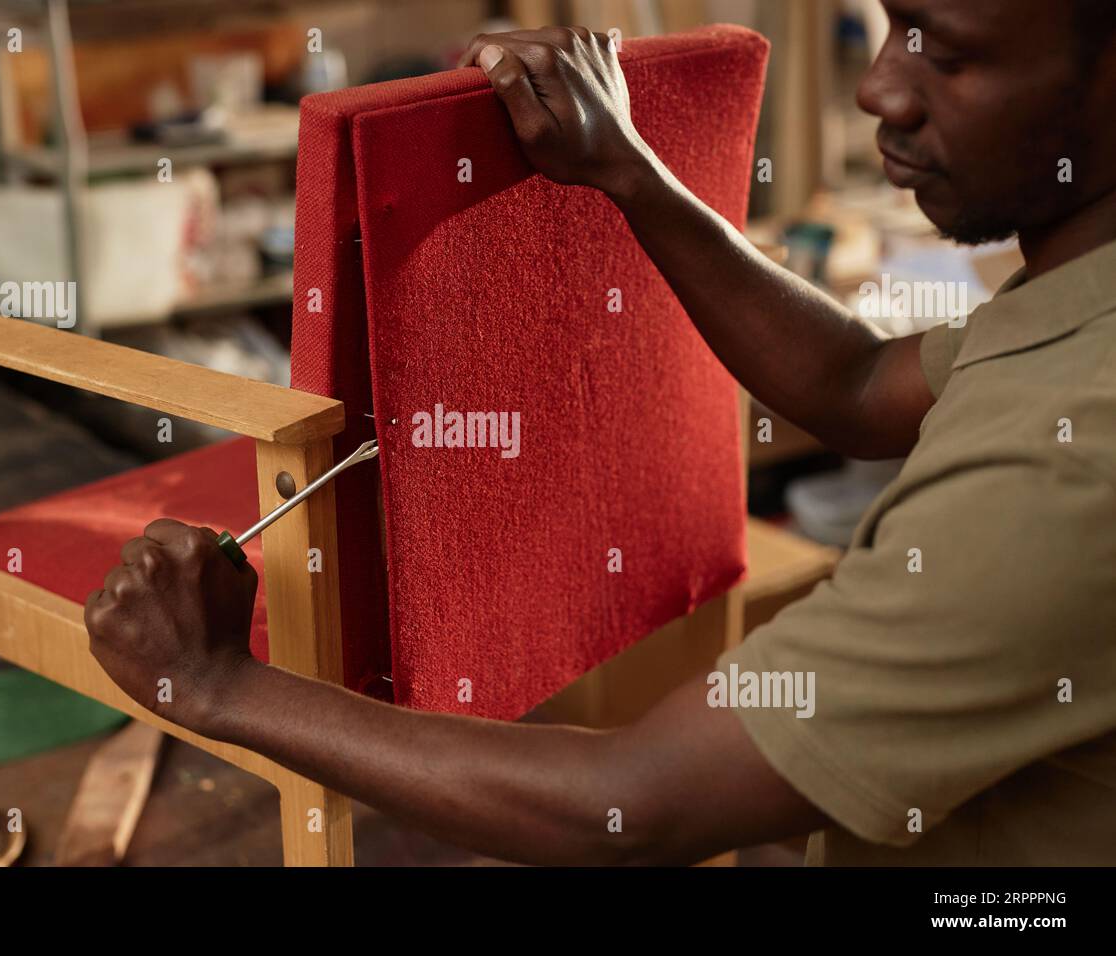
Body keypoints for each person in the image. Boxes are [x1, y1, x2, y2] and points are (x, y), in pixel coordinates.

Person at [84, 0, 1116, 865]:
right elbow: (856, 382)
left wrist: (216, 681)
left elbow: (629, 805)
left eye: (952, 50)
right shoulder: (1077, 290)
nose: (878, 87)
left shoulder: (1065, 457)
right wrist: (630, 169)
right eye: (893, 24)